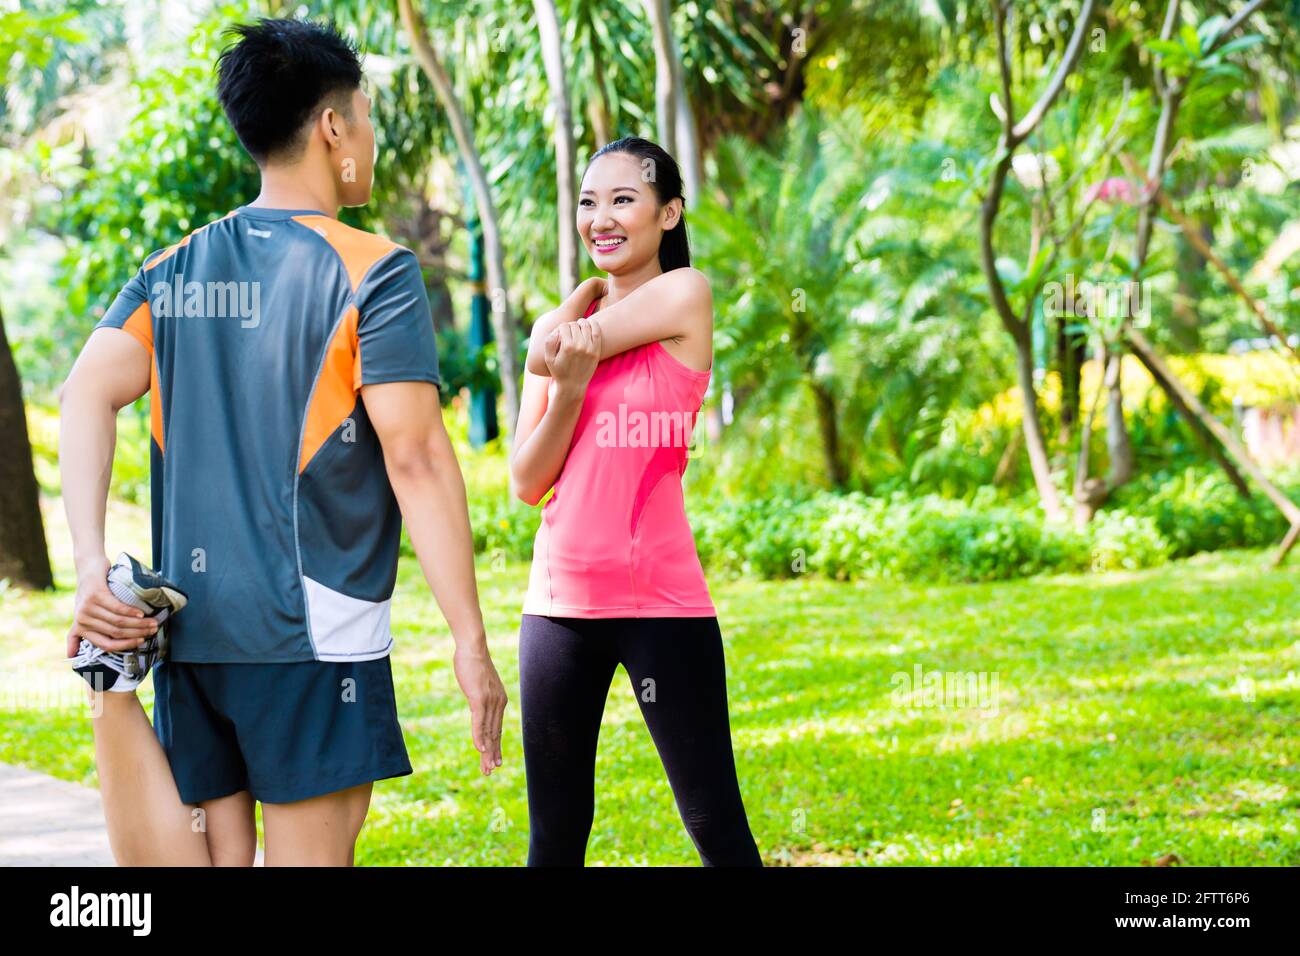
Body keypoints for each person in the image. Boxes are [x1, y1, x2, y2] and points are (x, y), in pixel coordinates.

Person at [58, 16, 507, 867]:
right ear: (332, 127)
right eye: (366, 116)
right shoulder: (375, 270)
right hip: (315, 638)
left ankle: (110, 697)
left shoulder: (173, 267)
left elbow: (86, 389)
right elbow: (414, 458)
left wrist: (90, 565)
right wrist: (470, 643)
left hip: (192, 633)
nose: (371, 137)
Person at [508, 136, 763, 866]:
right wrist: (571, 390)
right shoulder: (558, 328)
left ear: (669, 213)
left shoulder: (688, 295)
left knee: (716, 823)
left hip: (664, 605)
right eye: (589, 202)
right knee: (554, 837)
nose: (601, 218)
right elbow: (528, 482)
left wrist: (560, 336)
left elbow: (554, 350)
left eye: (623, 199)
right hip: (558, 607)